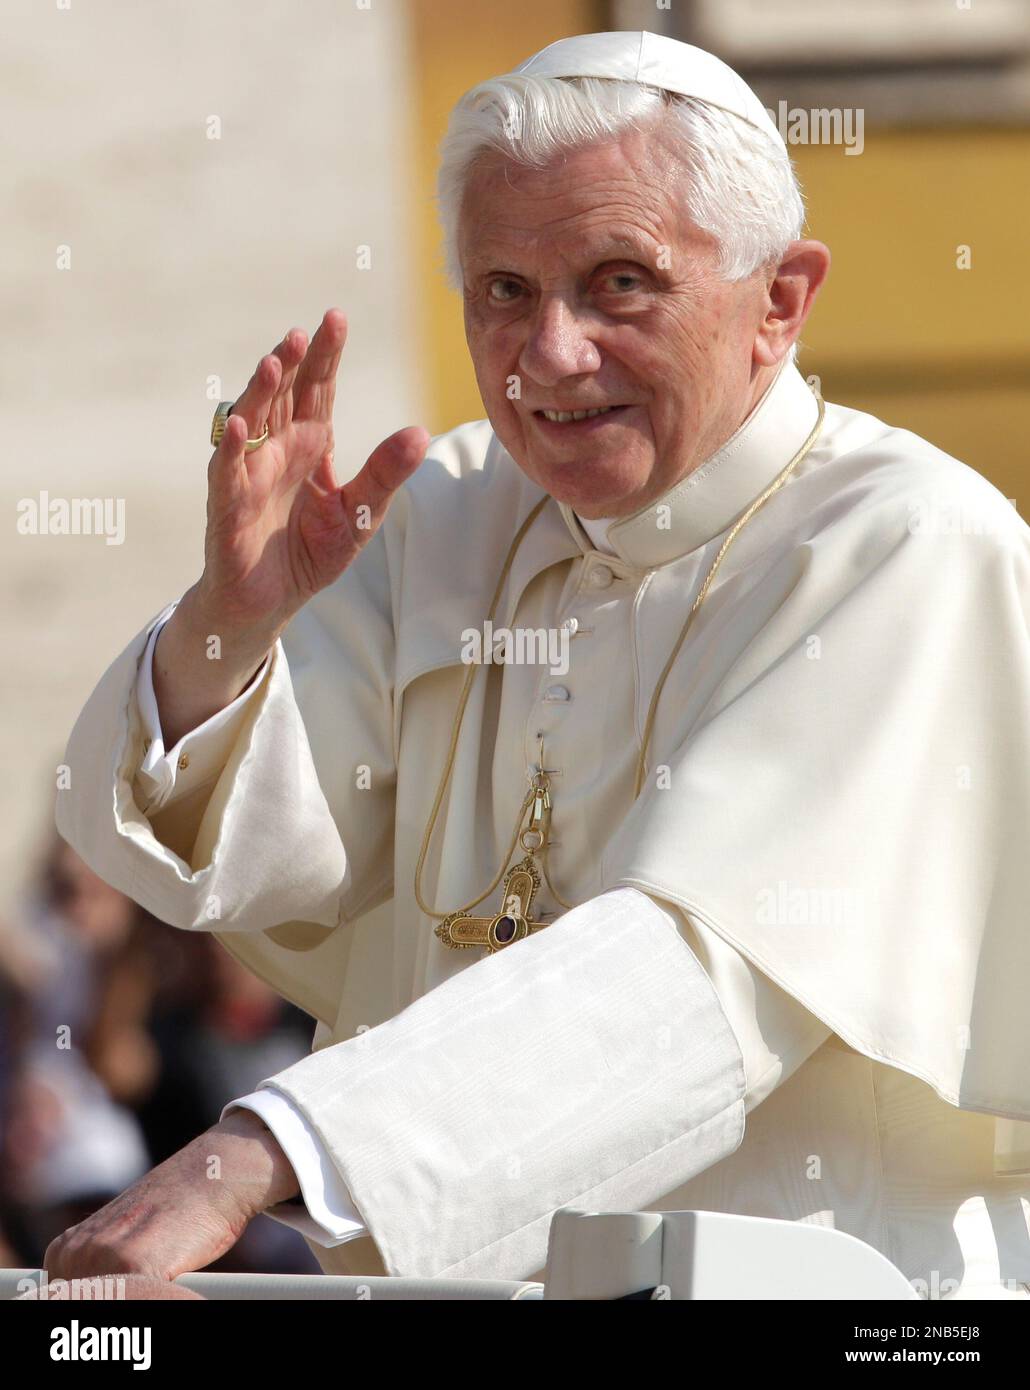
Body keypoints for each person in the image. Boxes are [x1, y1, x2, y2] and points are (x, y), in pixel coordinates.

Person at [49, 32, 1030, 1297]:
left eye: (620, 283)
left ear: (778, 302)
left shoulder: (907, 545)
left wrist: (254, 1156)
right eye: (502, 289)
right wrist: (230, 626)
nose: (550, 354)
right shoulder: (448, 508)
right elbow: (239, 863)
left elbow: (694, 971)